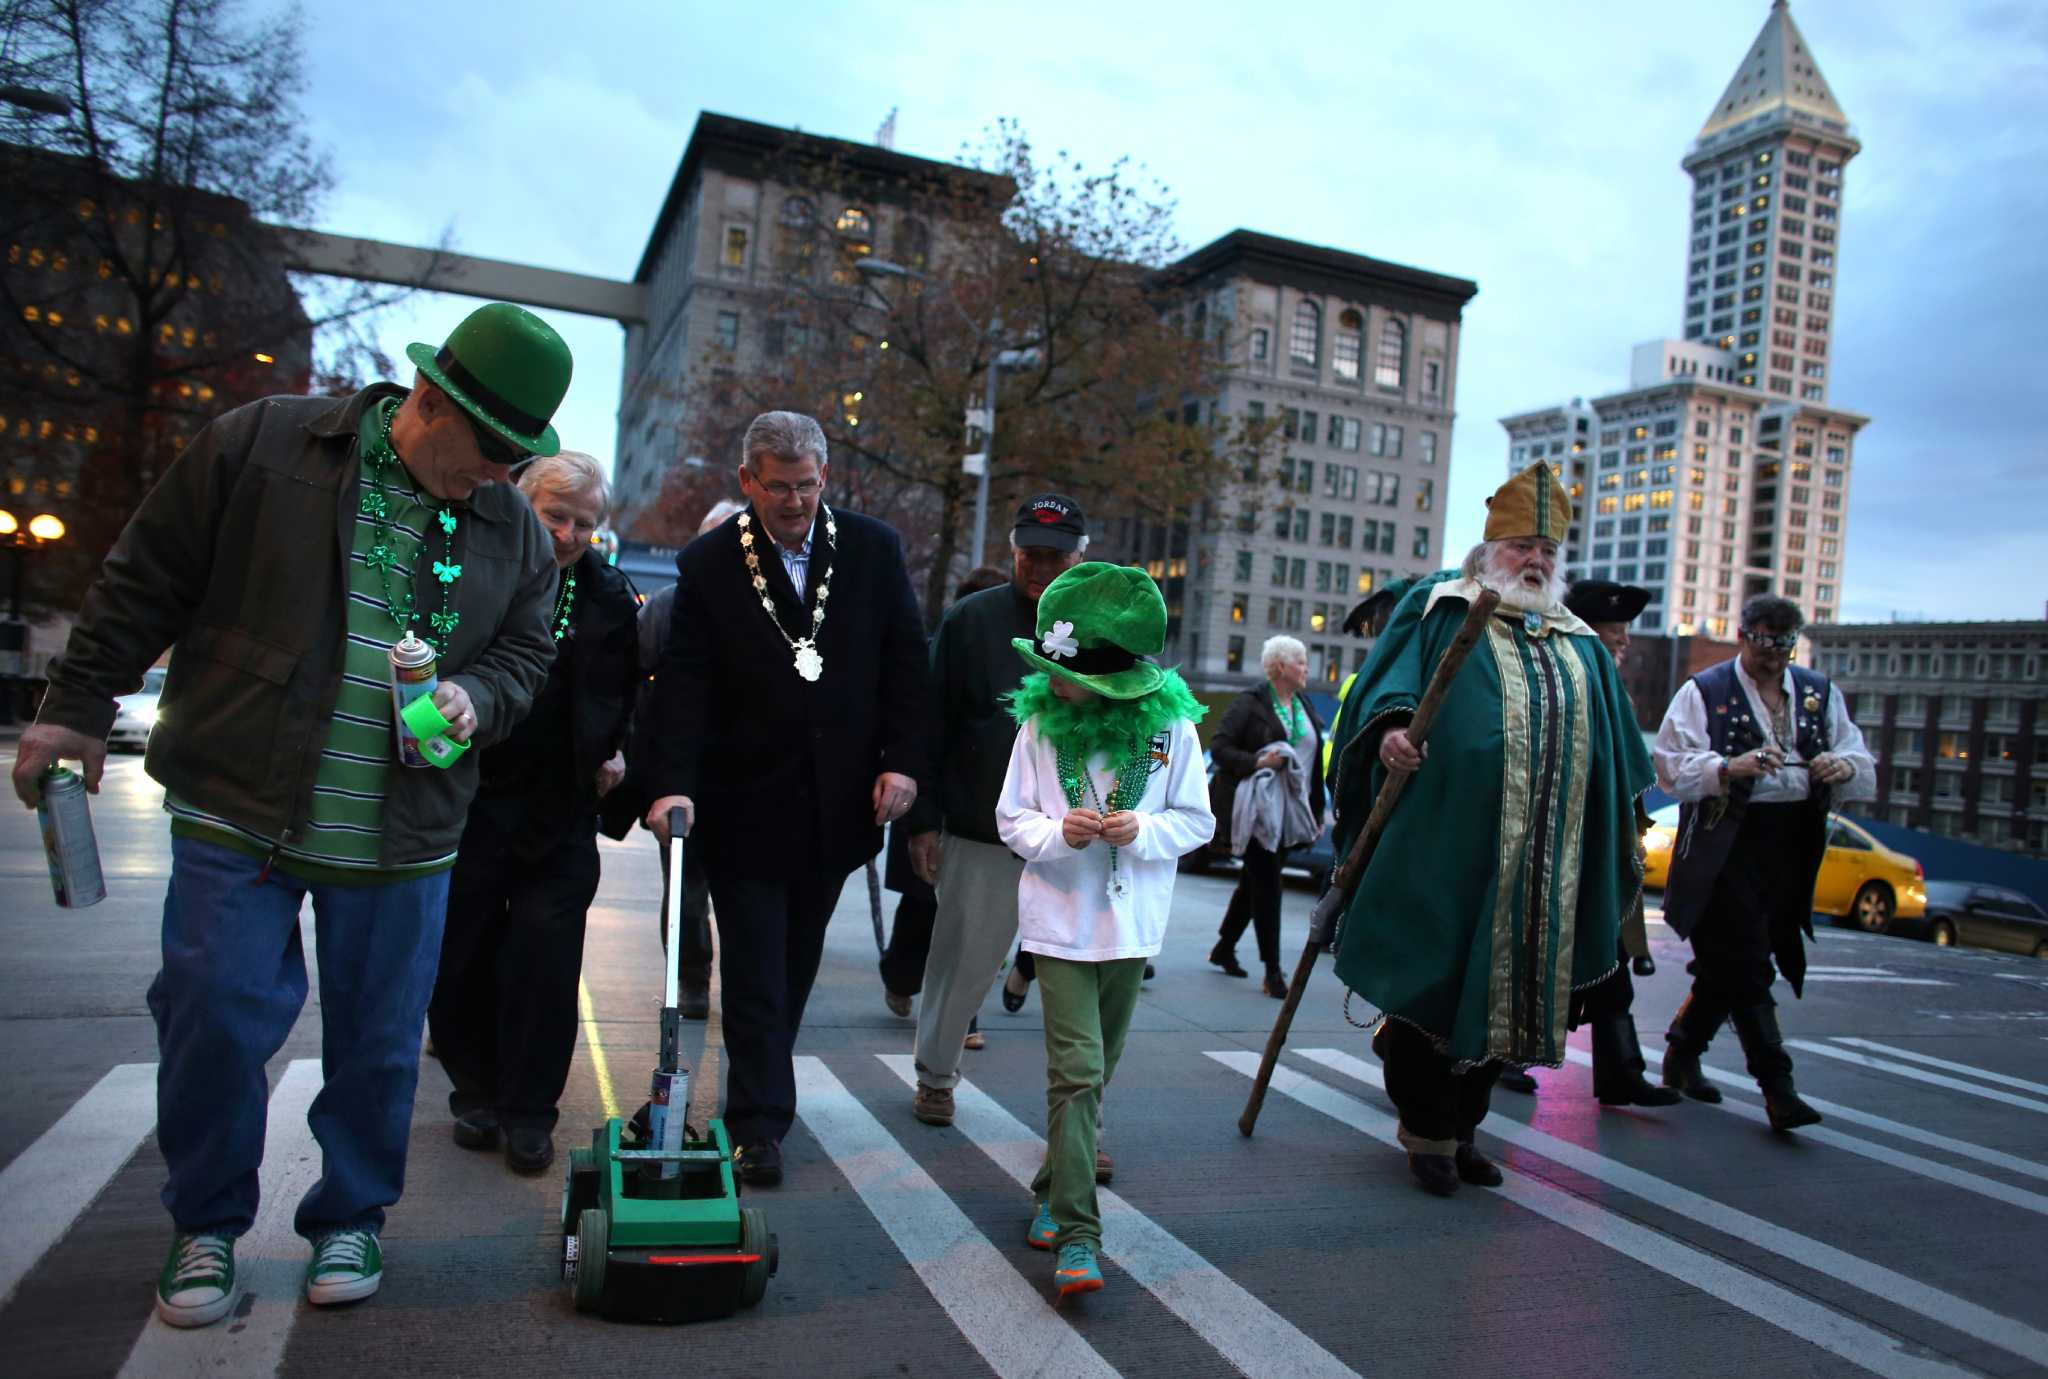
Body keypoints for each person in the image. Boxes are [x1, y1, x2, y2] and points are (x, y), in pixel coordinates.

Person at [10, 302, 570, 1324]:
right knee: (213, 1012)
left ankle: (352, 1210)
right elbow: (147, 575)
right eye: (491, 448)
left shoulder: (513, 526)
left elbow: (528, 655)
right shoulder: (265, 441)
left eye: (517, 455)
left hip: (404, 833)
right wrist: (77, 708)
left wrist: (475, 698)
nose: (500, 471)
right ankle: (207, 1226)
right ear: (429, 399)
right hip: (242, 800)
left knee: (380, 1041)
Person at [1323, 462, 1653, 1197]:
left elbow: (1618, 748)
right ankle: (1429, 1131)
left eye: (1548, 550)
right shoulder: (1441, 608)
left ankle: (1464, 1128)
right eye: (1523, 545)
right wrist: (1392, 734)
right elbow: (1384, 690)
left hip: (1544, 864)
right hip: (1444, 848)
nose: (1535, 560)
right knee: (1433, 986)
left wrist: (1611, 823)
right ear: (1491, 547)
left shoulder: (1581, 643)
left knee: (1514, 1002)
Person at [642, 410, 930, 1187]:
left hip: (838, 806)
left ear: (825, 478)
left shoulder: (872, 548)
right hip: (743, 804)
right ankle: (759, 1123)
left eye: (807, 485)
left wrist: (903, 763)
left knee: (793, 965)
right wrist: (670, 780)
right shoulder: (709, 562)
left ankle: (762, 1081)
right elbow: (686, 684)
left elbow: (907, 662)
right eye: (779, 487)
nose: (795, 501)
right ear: (748, 482)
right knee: (758, 970)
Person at [996, 562, 1213, 1296]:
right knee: (1079, 1071)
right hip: (1057, 923)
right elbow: (1012, 818)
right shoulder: (1036, 726)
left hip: (1132, 927)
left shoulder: (1172, 729)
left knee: (1094, 1075)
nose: (1053, 683)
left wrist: (1141, 826)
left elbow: (1197, 820)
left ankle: (1050, 1184)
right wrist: (1061, 832)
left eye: (1067, 674)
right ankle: (1079, 1233)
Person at [428, 452, 639, 1174]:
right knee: (465, 950)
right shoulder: (471, 565)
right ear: (522, 502)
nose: (571, 533)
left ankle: (528, 1109)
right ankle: (476, 1090)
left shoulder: (609, 594)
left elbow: (628, 692)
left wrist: (617, 751)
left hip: (561, 803)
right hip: (471, 794)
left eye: (586, 522)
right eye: (557, 516)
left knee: (546, 959)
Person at [1653, 593, 1874, 1131]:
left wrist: (1840, 767)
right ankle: (1778, 1088)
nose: (1773, 656)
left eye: (1783, 645)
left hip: (1790, 842)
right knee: (1748, 963)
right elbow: (1669, 766)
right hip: (1724, 842)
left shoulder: (1819, 694)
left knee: (1734, 961)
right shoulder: (1704, 690)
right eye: (1762, 643)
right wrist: (1728, 767)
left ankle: (1682, 1054)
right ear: (1743, 635)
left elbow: (1861, 759)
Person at [905, 495, 1089, 1128]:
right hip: (983, 828)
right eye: (1030, 553)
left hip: (1076, 838)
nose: (1040, 567)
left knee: (1082, 986)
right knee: (960, 959)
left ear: (1078, 556)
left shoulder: (1103, 627)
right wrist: (923, 820)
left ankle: (1079, 1121)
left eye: (1055, 555)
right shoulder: (971, 621)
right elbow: (928, 724)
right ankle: (935, 1074)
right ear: (1012, 551)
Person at [1496, 580, 1678, 1106]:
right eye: (1612, 635)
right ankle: (1503, 1055)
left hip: (1601, 847)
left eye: (1623, 637)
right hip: (1554, 847)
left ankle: (1620, 1072)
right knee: (1533, 953)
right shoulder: (1562, 677)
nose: (1621, 647)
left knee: (1610, 960)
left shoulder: (1607, 684)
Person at [610, 497, 746, 1020]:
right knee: (686, 886)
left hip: (746, 777)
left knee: (744, 889)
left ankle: (744, 983)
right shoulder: (666, 608)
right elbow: (629, 683)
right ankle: (692, 978)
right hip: (681, 776)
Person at [880, 561, 1014, 1022]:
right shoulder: (947, 646)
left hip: (983, 813)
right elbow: (923, 728)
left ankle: (963, 1018)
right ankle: (899, 977)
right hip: (939, 804)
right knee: (921, 909)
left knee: (968, 925)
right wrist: (921, 819)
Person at [1207, 635, 1326, 997]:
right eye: (1300, 663)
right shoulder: (1251, 702)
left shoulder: (1302, 702)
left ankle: (1224, 947)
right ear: (1279, 667)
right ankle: (1273, 971)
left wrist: (1317, 813)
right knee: (1269, 886)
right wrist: (1257, 761)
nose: (1307, 669)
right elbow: (1220, 748)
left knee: (1254, 882)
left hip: (1291, 811)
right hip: (1258, 811)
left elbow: (1312, 763)